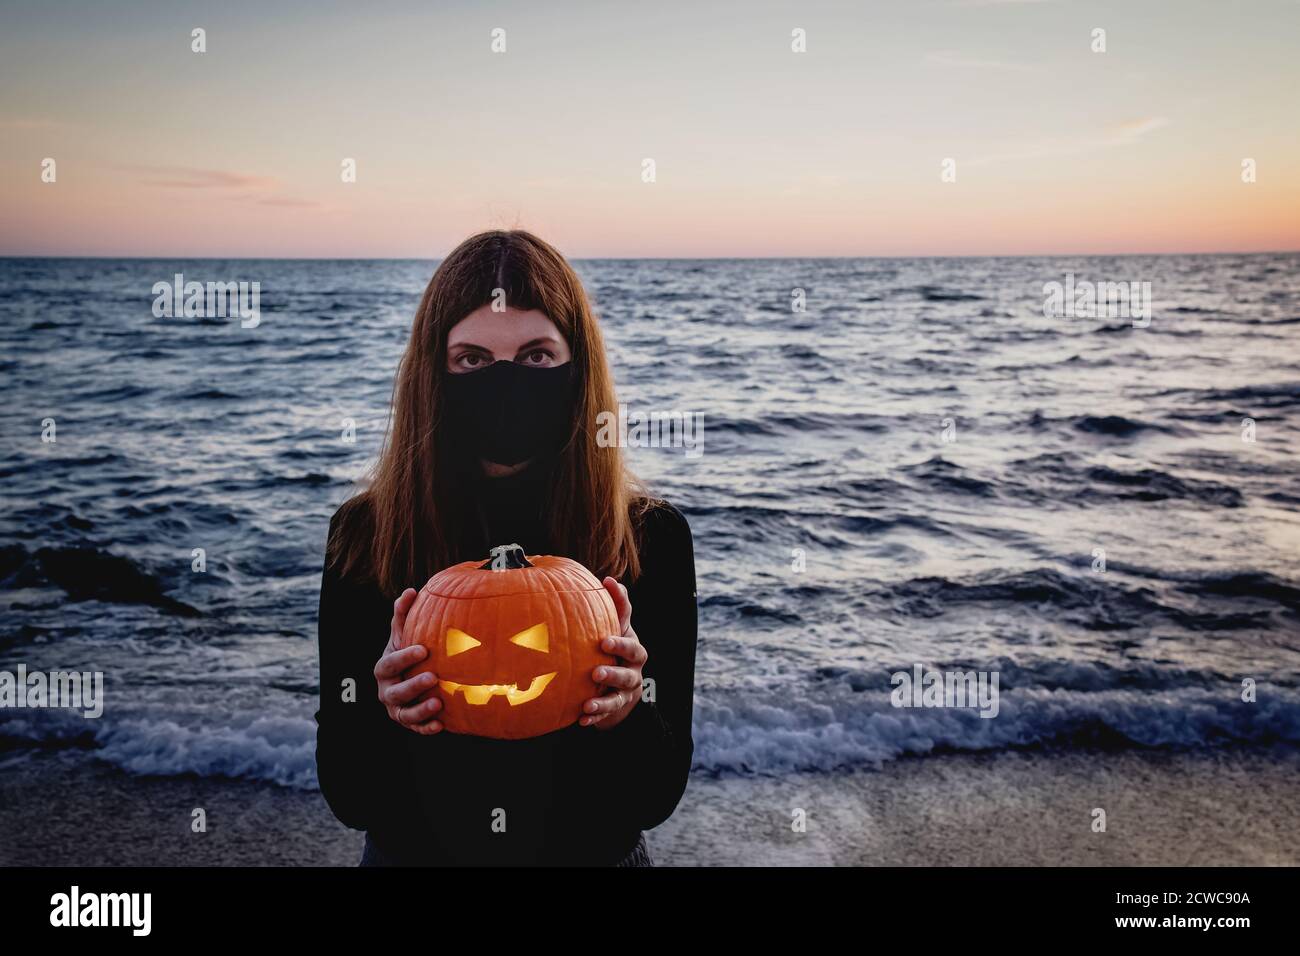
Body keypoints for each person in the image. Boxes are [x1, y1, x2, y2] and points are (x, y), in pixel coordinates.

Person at [314, 230, 698, 866]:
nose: (505, 382)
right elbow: (352, 797)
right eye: (471, 358)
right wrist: (382, 712)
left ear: (579, 369)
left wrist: (627, 712)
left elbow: (653, 798)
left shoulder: (649, 538)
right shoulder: (365, 537)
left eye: (537, 356)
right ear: (432, 375)